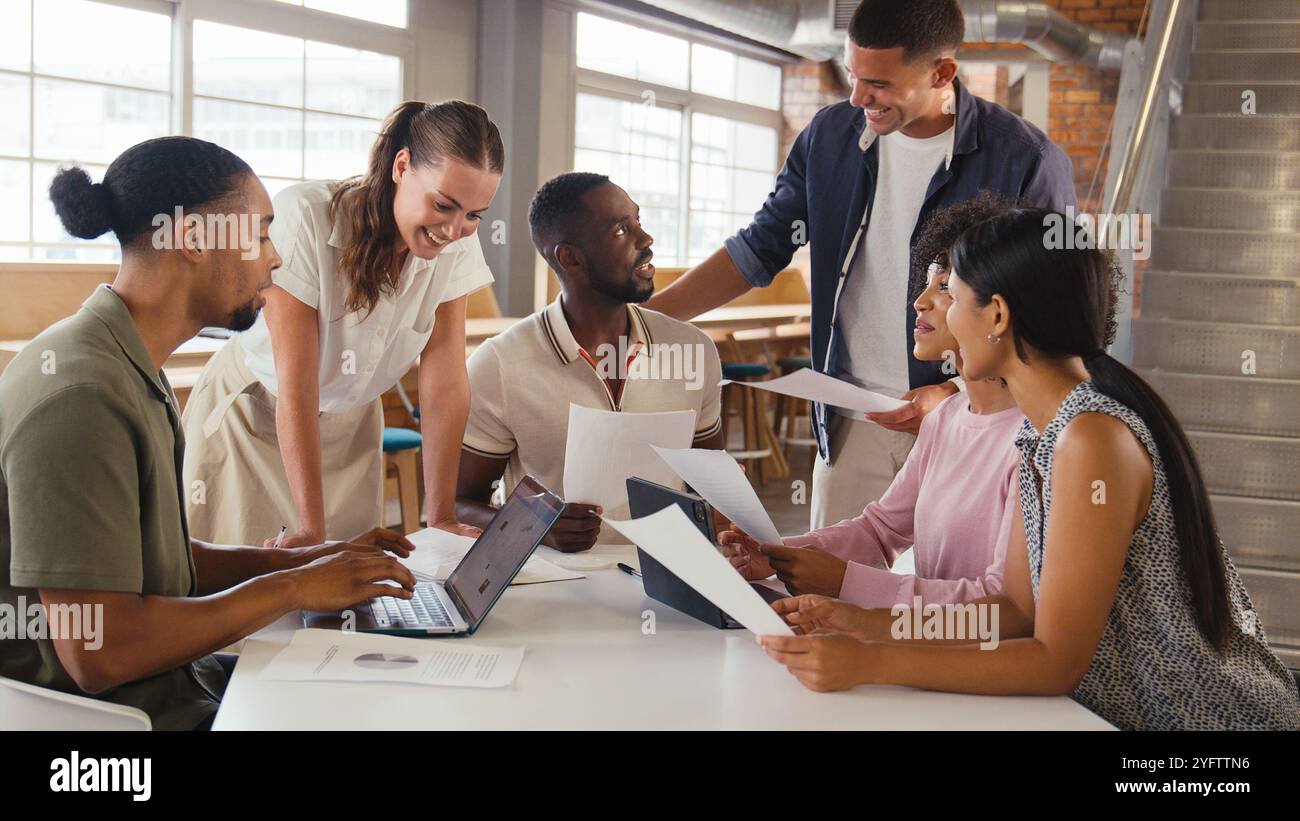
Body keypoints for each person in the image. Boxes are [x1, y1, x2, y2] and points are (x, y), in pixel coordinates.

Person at [758, 206, 1300, 731]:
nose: (936, 310)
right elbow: (1012, 612)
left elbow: (1052, 660)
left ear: (996, 315)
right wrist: (859, 623)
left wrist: (868, 658)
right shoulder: (1043, 431)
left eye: (954, 296)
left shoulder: (1091, 440)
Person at [0, 137, 416, 730]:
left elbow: (157, 563)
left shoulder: (127, 361)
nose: (275, 258)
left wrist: (307, 562)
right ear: (193, 239)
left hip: (180, 689)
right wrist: (294, 589)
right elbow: (98, 650)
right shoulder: (81, 393)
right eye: (261, 232)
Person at [644, 0, 1075, 531]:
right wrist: (643, 323)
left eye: (879, 84)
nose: (857, 97)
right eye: (852, 74)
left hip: (974, 421)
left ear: (942, 73)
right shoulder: (829, 137)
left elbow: (1050, 310)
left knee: (955, 595)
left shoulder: (1025, 159)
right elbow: (758, 249)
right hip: (851, 424)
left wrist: (951, 392)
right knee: (832, 597)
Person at [183, 100, 504, 549]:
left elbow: (446, 377)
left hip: (351, 425)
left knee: (345, 596)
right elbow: (296, 381)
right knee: (249, 592)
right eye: (444, 205)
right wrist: (311, 527)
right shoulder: (305, 217)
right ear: (402, 166)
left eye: (474, 215)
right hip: (257, 416)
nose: (454, 230)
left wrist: (442, 515)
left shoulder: (455, 244)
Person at [720, 193, 1024, 607]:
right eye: (927, 282)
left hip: (980, 661)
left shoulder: (1035, 440)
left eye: (945, 288)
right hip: (933, 654)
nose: (920, 301)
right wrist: (776, 554)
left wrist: (844, 583)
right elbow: (881, 530)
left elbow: (1006, 607)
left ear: (999, 312)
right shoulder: (949, 416)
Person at [456, 172, 724, 552]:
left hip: (667, 580)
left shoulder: (693, 349)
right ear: (570, 257)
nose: (645, 240)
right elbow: (460, 504)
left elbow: (713, 488)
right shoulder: (499, 363)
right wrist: (536, 526)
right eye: (620, 230)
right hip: (554, 587)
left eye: (638, 221)